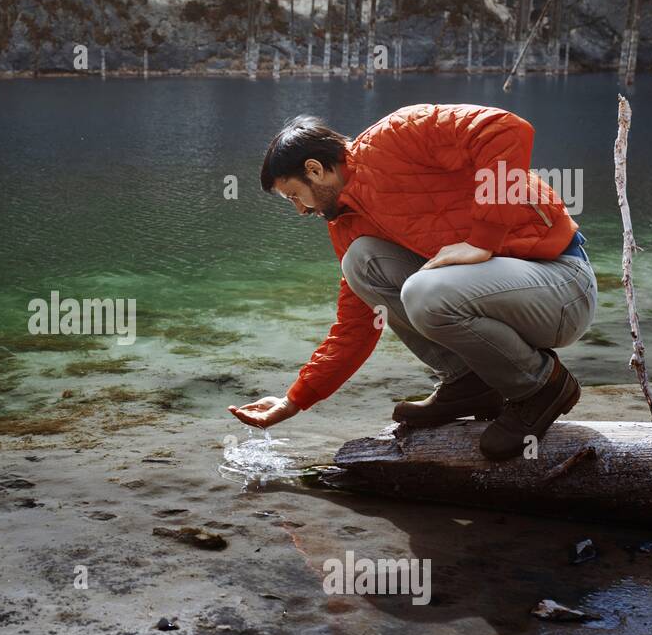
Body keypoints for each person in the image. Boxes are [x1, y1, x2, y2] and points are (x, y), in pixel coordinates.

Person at [229, 104, 597, 461]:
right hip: (507, 300)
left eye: (294, 195)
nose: (300, 209)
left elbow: (506, 128)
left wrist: (484, 239)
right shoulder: (347, 223)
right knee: (362, 263)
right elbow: (358, 322)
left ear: (314, 169)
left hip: (561, 285)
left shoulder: (399, 135)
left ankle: (541, 386)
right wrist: (294, 400)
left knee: (424, 293)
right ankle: (471, 382)